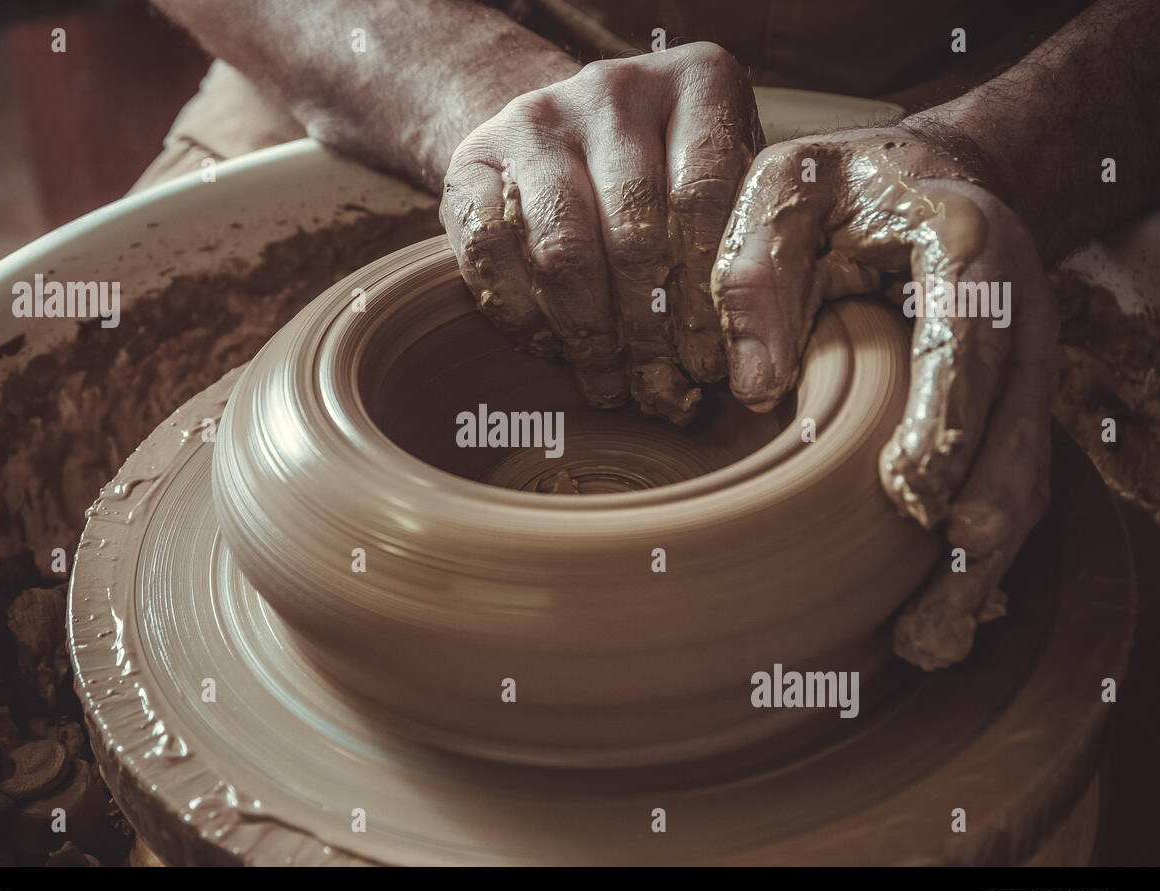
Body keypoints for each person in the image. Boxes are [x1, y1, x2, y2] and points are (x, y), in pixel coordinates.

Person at [146, 0, 1160, 668]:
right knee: (155, 410)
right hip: (407, 32)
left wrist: (997, 153)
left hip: (1016, 72)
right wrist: (468, 78)